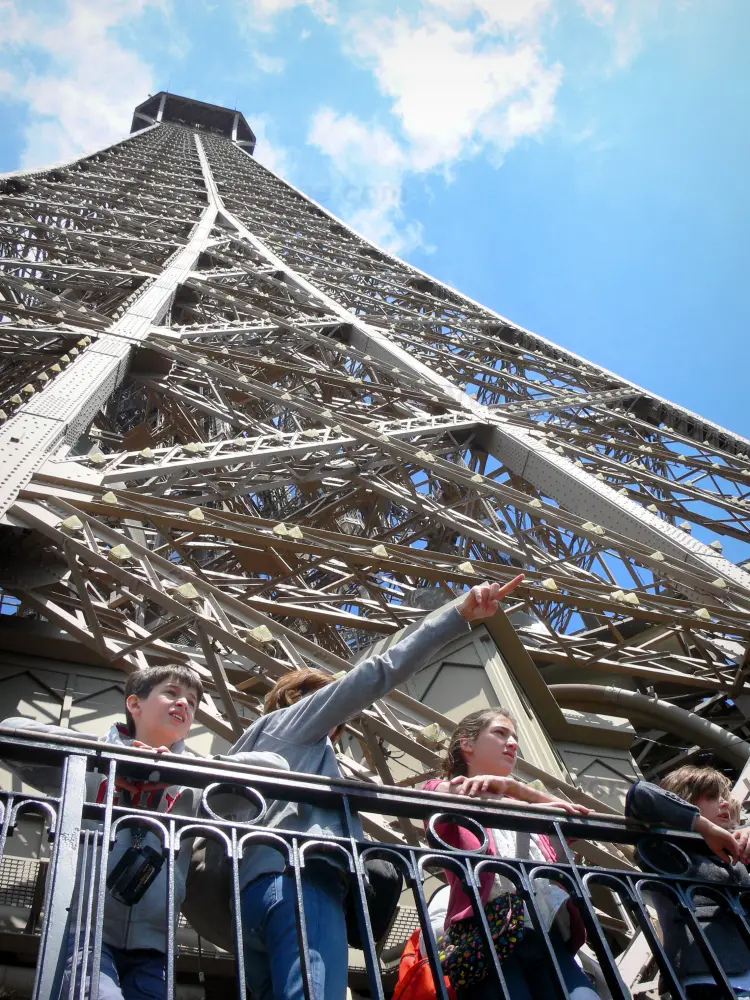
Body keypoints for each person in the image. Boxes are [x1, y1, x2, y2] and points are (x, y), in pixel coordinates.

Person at [228, 577, 524, 1000]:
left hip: (250, 895)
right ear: (300, 698)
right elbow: (378, 673)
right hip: (300, 883)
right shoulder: (296, 723)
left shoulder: (257, 741)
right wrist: (456, 616)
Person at [1, 663, 286, 1000]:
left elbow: (276, 768)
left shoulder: (194, 783)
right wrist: (107, 755)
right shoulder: (90, 764)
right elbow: (10, 729)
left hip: (158, 945)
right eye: (172, 693)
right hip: (85, 931)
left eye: (192, 702)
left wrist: (188, 769)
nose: (184, 704)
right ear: (134, 704)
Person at [420, 707, 599, 1000]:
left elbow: (582, 819)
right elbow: (433, 794)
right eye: (500, 733)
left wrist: (516, 788)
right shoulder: (445, 791)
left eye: (514, 737)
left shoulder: (528, 807)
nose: (513, 743)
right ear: (467, 744)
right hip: (486, 935)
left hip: (545, 932)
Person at [626, 765, 750, 1000]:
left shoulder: (739, 853)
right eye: (713, 796)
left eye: (726, 798)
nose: (724, 803)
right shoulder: (664, 848)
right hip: (712, 976)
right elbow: (640, 795)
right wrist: (705, 826)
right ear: (683, 797)